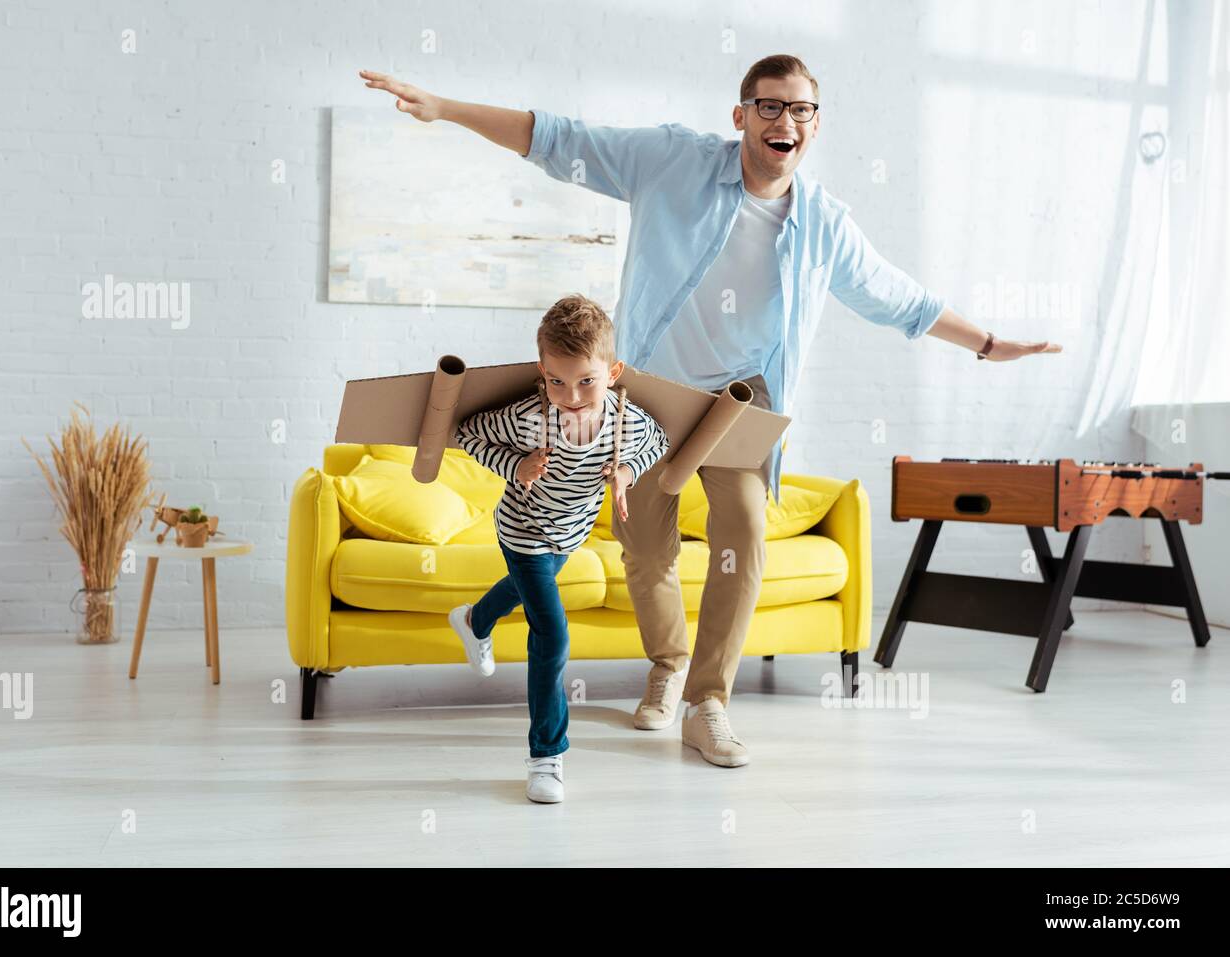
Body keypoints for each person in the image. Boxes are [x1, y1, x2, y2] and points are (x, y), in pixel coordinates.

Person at [362, 53, 1063, 769]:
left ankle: (708, 701)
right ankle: (667, 666)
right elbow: (560, 139)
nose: (784, 120)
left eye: (800, 110)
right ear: (740, 116)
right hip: (650, 393)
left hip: (737, 403)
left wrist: (986, 343)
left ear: (814, 125)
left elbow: (899, 299)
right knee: (646, 546)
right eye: (768, 106)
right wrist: (443, 107)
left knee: (747, 528)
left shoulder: (824, 224)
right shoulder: (672, 161)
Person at [450, 294, 669, 803]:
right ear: (542, 372)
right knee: (551, 634)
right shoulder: (529, 418)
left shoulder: (627, 423)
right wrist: (516, 467)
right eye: (557, 381)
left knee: (524, 593)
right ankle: (547, 755)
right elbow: (469, 433)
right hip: (522, 532)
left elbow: (658, 440)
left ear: (613, 372)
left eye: (586, 381)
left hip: (569, 536)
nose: (570, 396)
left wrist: (627, 472)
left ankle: (474, 621)